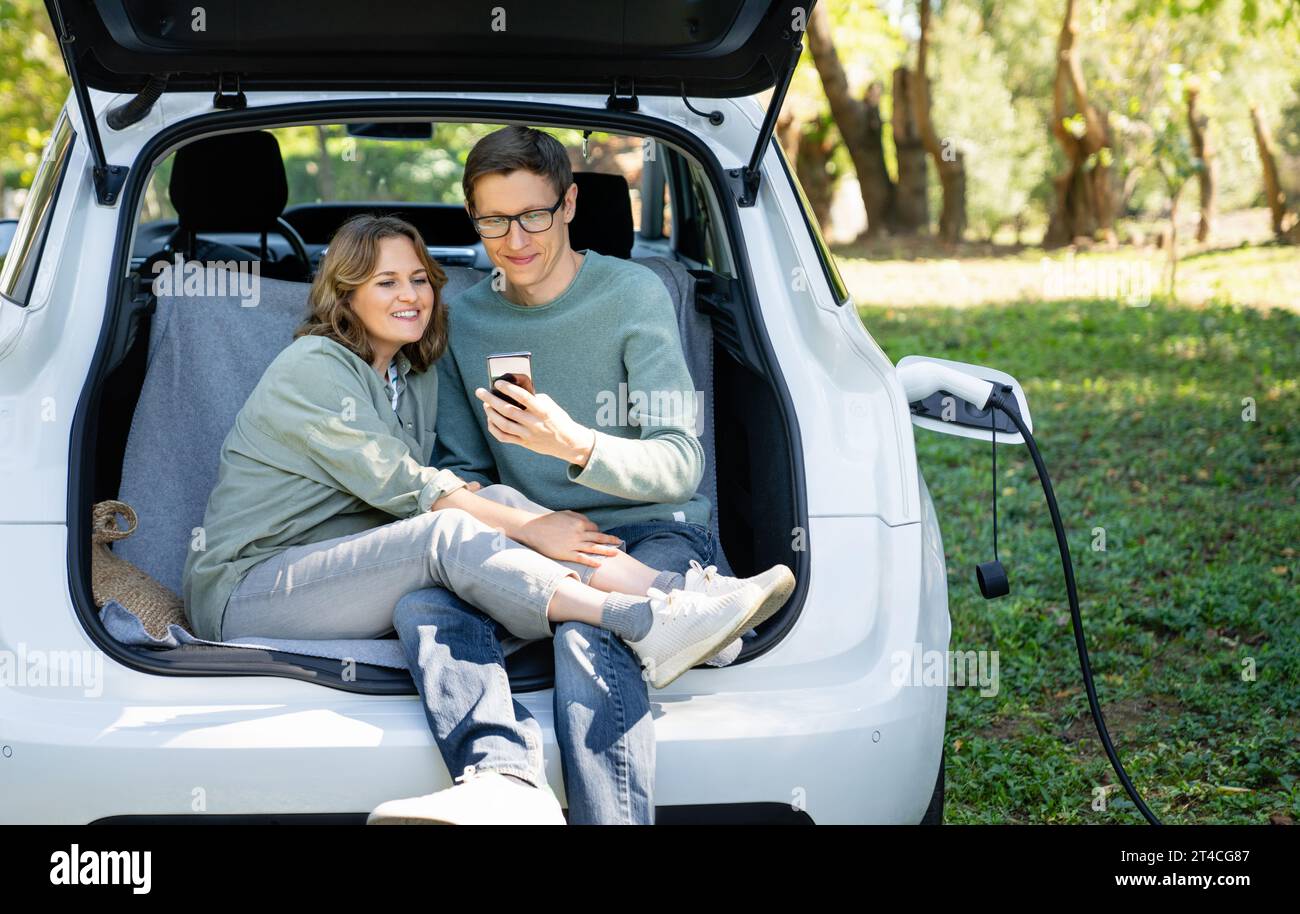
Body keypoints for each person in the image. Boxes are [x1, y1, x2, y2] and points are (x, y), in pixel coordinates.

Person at [179, 214, 789, 824]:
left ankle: (684, 600)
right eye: (386, 282)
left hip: (342, 573)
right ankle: (643, 618)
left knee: (490, 500)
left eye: (420, 279)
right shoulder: (314, 365)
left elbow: (443, 485)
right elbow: (409, 487)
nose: (411, 296)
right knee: (451, 528)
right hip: (249, 589)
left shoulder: (410, 378)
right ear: (346, 291)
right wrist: (527, 527)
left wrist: (516, 510)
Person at [376, 127, 795, 825]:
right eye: (493, 221)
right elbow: (464, 474)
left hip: (653, 532)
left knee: (590, 635)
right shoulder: (462, 317)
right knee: (422, 608)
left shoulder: (632, 294)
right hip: (536, 548)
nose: (515, 240)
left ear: (569, 204)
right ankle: (503, 781)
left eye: (534, 214)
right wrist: (530, 534)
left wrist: (577, 446)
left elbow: (680, 463)